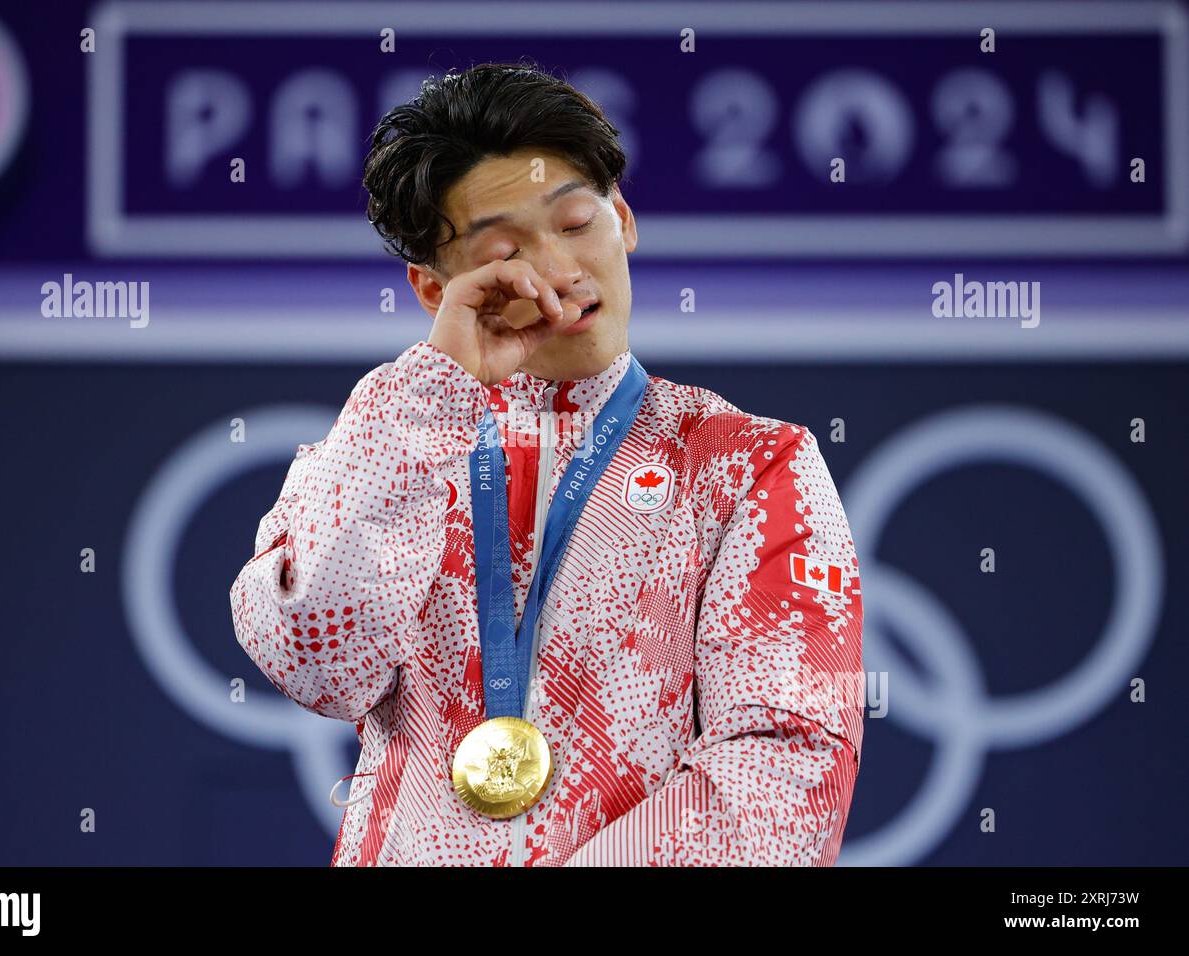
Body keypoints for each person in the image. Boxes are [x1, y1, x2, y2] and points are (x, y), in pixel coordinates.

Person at [229, 62, 864, 866]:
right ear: (435, 290)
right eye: (505, 250)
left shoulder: (751, 467)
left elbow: (786, 768)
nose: (559, 271)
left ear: (624, 218)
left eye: (575, 224)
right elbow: (319, 662)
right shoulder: (393, 444)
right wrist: (432, 390)